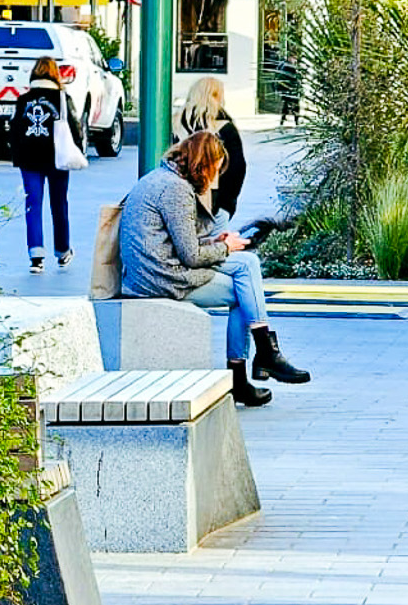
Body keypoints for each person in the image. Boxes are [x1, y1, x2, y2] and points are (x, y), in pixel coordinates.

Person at [117, 128, 308, 406]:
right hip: (161, 279)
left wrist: (215, 240)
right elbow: (191, 257)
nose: (214, 179)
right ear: (202, 165)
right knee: (244, 293)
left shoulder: (163, 177)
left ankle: (261, 358)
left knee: (248, 264)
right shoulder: (176, 190)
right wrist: (226, 247)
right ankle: (251, 366)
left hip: (153, 269)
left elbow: (180, 241)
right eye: (214, 171)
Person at [8, 55, 82, 274]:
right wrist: (77, 147)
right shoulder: (61, 98)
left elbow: (13, 129)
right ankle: (62, 251)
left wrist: (17, 154)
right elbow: (75, 128)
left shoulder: (23, 100)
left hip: (29, 159)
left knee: (33, 205)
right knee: (59, 204)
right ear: (54, 74)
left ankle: (36, 256)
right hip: (57, 158)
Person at [177, 76, 246, 220]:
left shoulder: (174, 124)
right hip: (212, 201)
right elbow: (237, 168)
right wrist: (227, 205)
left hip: (176, 196)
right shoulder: (224, 127)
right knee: (214, 241)